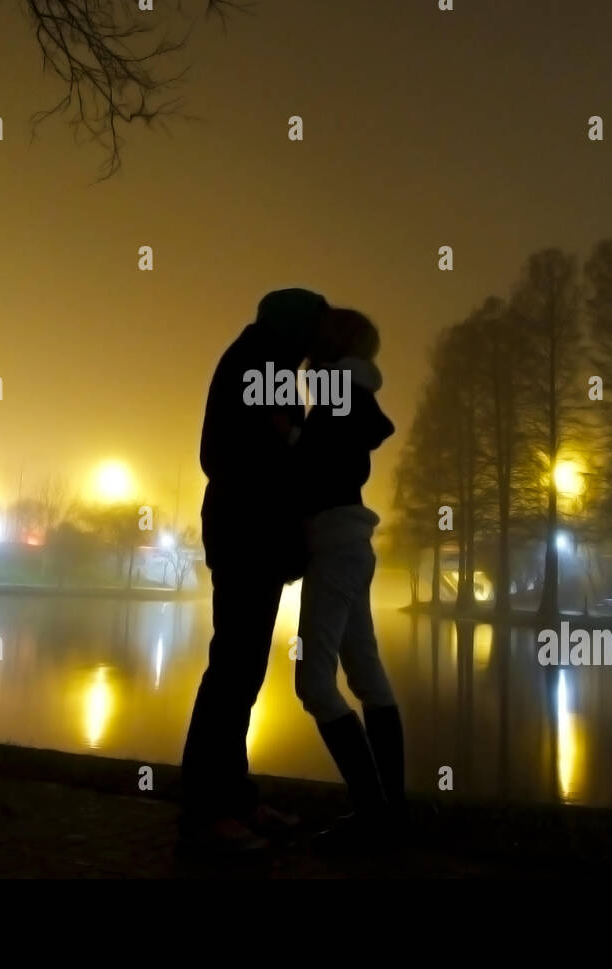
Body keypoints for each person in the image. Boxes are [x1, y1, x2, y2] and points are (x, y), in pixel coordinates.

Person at [180, 287, 331, 852]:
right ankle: (206, 811)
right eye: (315, 330)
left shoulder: (264, 363)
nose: (320, 344)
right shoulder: (258, 365)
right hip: (247, 536)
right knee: (233, 672)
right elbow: (236, 455)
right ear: (295, 327)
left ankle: (232, 799)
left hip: (251, 535)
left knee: (240, 671)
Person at [293, 307, 404, 852]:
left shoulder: (334, 391)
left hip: (334, 543)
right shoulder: (351, 393)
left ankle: (372, 812)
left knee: (313, 685)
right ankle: (390, 812)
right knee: (365, 674)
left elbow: (311, 467)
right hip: (351, 543)